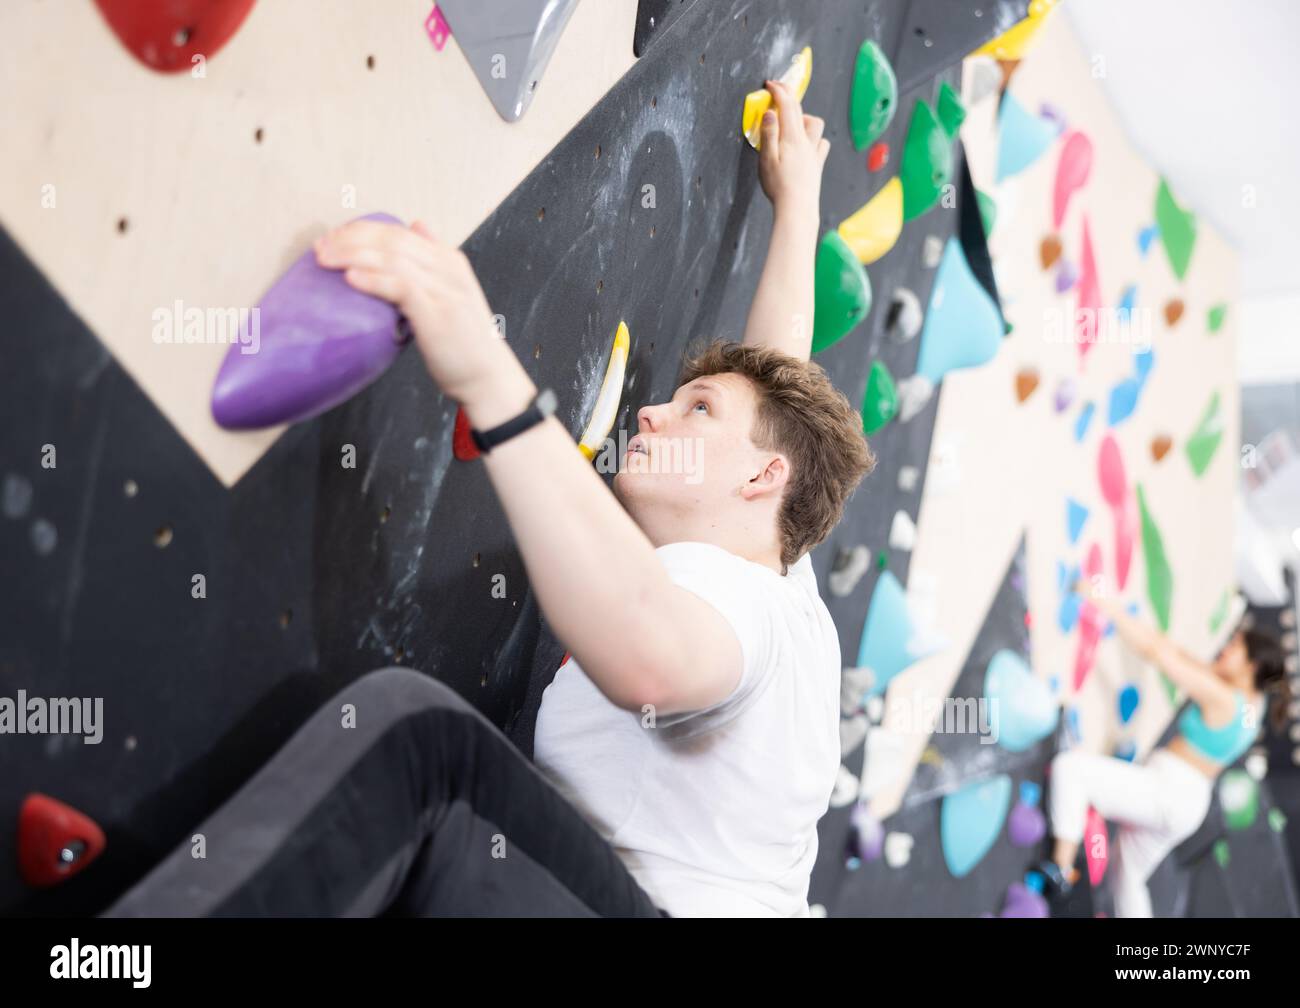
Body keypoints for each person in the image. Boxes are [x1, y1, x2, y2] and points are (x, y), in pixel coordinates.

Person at [106, 80, 876, 918]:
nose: (653, 409)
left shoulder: (746, 611)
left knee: (425, 750)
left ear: (764, 481)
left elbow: (652, 651)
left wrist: (482, 368)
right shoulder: (782, 579)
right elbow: (779, 386)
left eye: (698, 409)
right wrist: (796, 202)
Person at [1038, 582, 1289, 918]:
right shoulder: (1251, 708)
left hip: (1170, 791)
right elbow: (1176, 654)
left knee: (1072, 770)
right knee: (1126, 873)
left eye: (1235, 646)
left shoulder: (1226, 699)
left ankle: (1062, 870)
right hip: (1186, 802)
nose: (1226, 648)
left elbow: (1159, 653)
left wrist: (1103, 602)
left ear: (1251, 667)